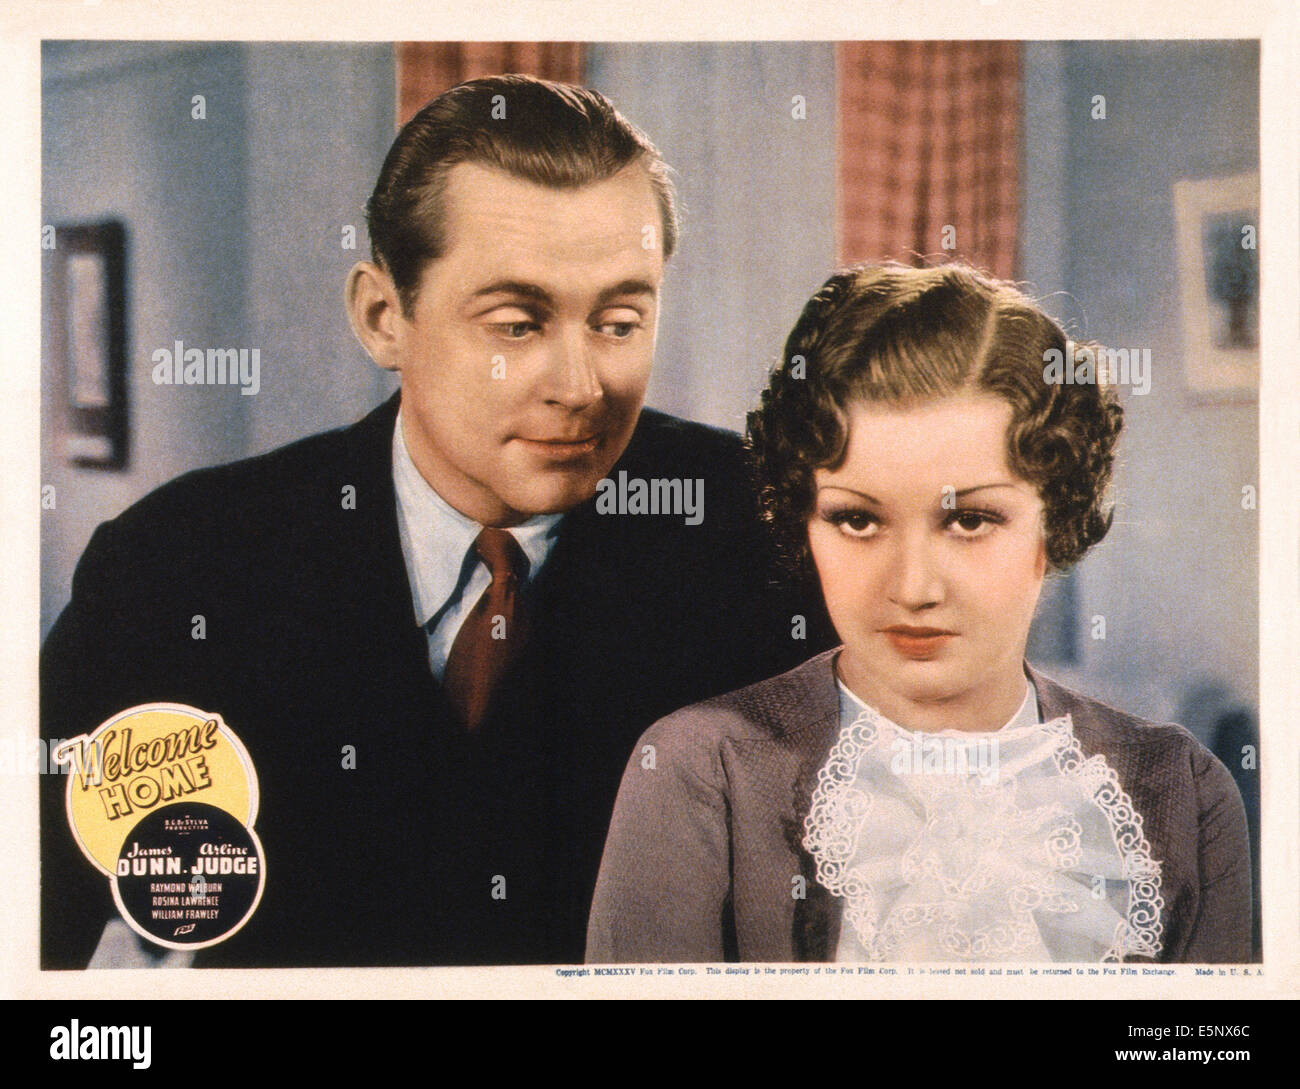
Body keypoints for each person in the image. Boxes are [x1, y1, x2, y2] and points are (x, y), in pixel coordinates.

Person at [39, 75, 832, 969]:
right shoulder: (178, 564)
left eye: (618, 322)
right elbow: (34, 915)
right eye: (516, 324)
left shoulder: (776, 535)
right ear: (384, 317)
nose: (580, 384)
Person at [586, 262, 1253, 964]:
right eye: (856, 520)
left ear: (1056, 521)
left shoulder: (1187, 792)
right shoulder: (700, 770)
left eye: (969, 520)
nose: (912, 586)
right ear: (802, 521)